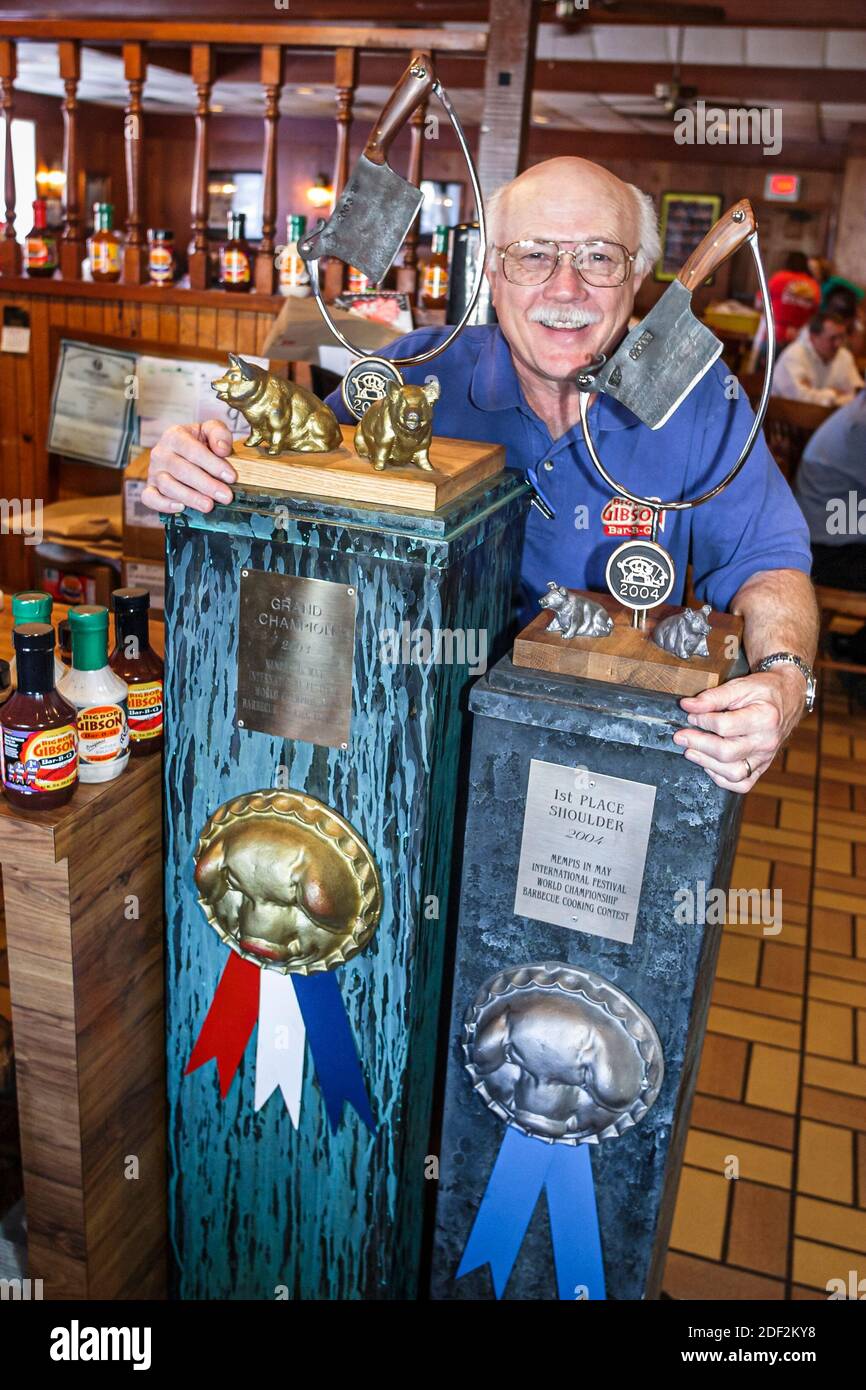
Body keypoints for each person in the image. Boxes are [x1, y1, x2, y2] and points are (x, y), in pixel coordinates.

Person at [142, 156, 818, 794]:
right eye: (533, 255)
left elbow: (769, 562)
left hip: (597, 763)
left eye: (599, 258)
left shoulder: (698, 398)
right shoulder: (414, 375)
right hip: (406, 747)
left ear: (640, 274)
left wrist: (785, 679)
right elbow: (291, 481)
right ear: (491, 271)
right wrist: (198, 464)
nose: (566, 288)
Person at [795, 386, 866, 671]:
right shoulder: (860, 426)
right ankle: (855, 650)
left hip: (833, 538)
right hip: (824, 552)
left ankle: (852, 647)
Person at [772, 310, 864, 407]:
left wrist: (823, 396)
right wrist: (833, 393)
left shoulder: (844, 356)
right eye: (832, 338)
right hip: (781, 419)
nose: (838, 344)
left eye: (841, 337)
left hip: (820, 418)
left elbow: (859, 395)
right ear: (813, 338)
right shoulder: (794, 355)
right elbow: (801, 398)